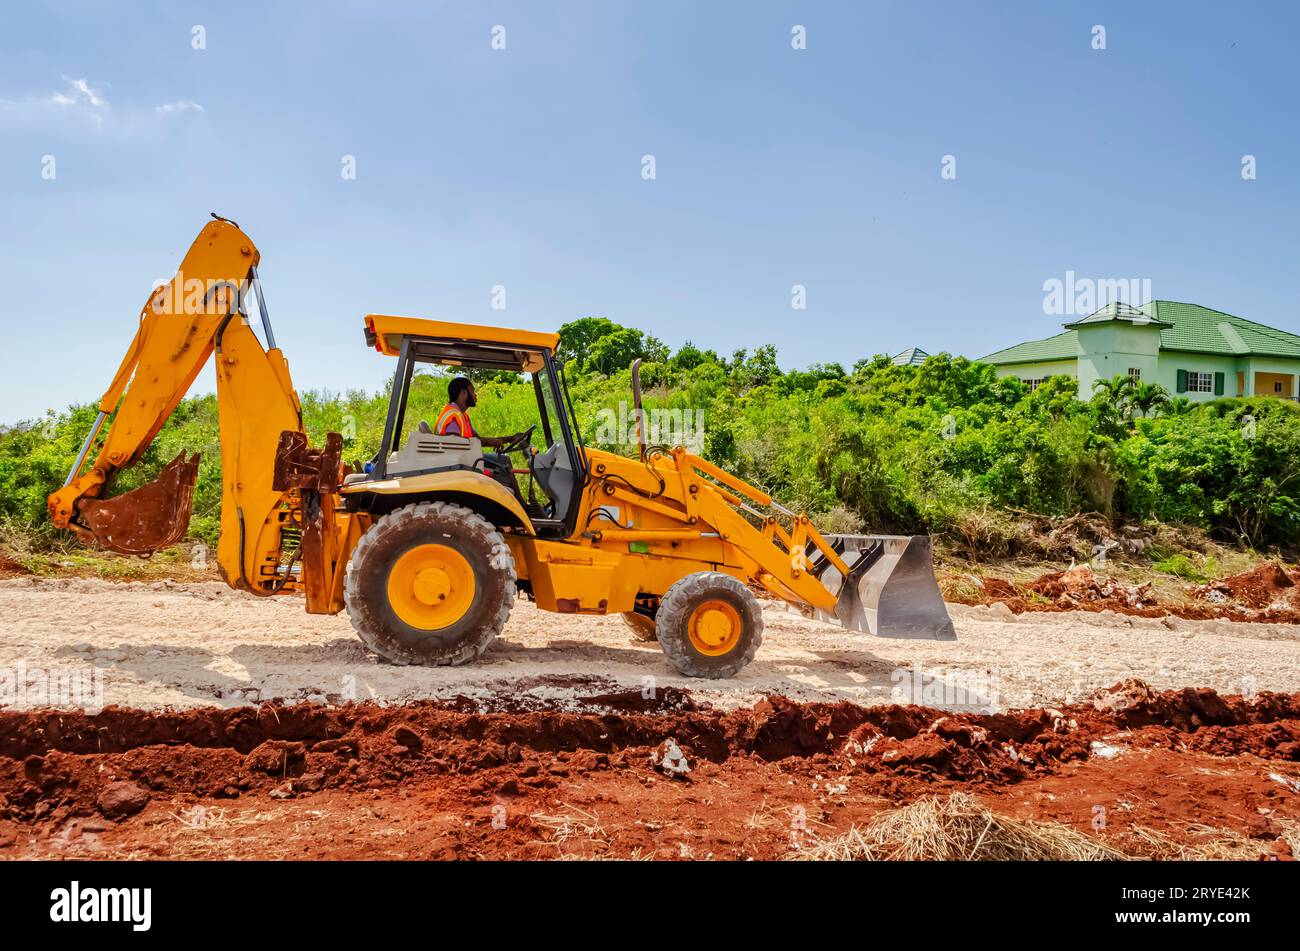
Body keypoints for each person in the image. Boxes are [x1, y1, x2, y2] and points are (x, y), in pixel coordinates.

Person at [430, 377, 524, 449]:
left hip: (463, 460)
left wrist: (509, 439)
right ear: (463, 393)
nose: (475, 394)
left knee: (503, 461)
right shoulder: (453, 417)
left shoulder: (462, 415)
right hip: (457, 465)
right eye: (472, 391)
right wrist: (496, 442)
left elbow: (477, 440)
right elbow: (454, 446)